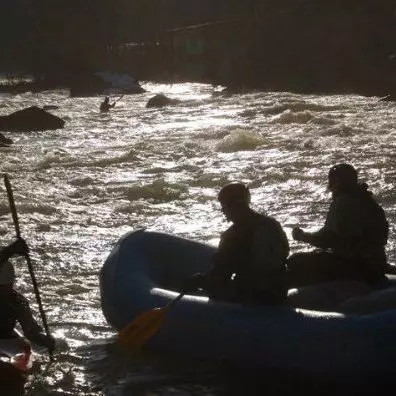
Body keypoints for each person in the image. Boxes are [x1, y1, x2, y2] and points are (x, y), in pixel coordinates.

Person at [185, 182, 290, 305]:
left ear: (235, 205)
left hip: (253, 295)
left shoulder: (232, 235)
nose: (223, 211)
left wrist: (200, 281)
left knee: (215, 288)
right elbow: (284, 253)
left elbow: (221, 273)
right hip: (279, 291)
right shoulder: (272, 224)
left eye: (224, 206)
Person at [287, 163, 389, 288]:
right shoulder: (366, 199)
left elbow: (329, 240)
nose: (329, 186)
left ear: (337, 182)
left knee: (295, 261)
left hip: (358, 267)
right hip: (374, 264)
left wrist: (303, 237)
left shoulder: (344, 203)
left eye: (331, 181)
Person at [0, 239, 56, 352]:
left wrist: (44, 340)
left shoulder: (18, 302)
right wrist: (10, 251)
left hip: (5, 341)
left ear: (11, 283)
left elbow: (30, 331)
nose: (2, 291)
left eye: (4, 287)